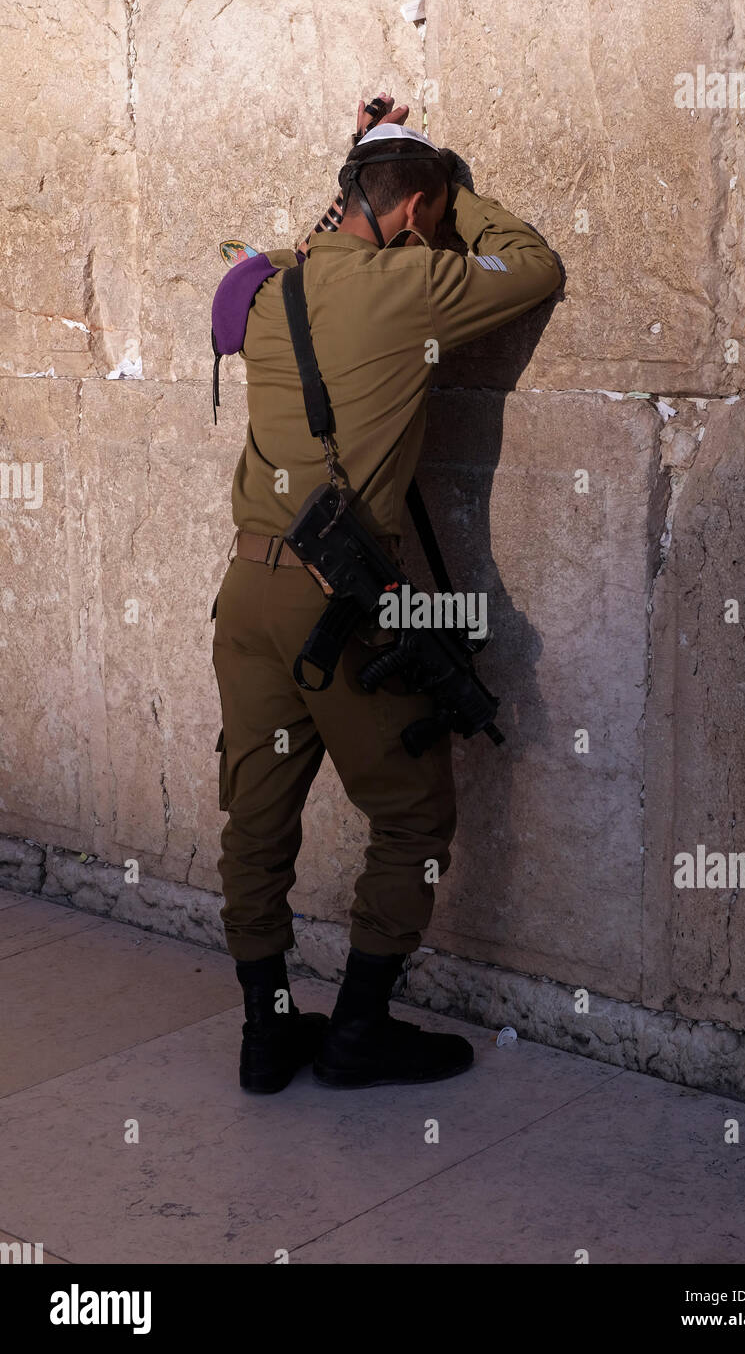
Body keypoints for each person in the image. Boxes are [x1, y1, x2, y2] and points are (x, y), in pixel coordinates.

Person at [211, 96, 561, 1092]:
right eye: (432, 212)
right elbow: (535, 265)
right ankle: (359, 1032)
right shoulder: (413, 284)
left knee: (255, 819)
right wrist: (458, 189)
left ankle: (266, 1032)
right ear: (416, 213)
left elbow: (291, 260)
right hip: (341, 603)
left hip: (245, 594)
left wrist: (363, 163)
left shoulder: (268, 289)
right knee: (410, 816)